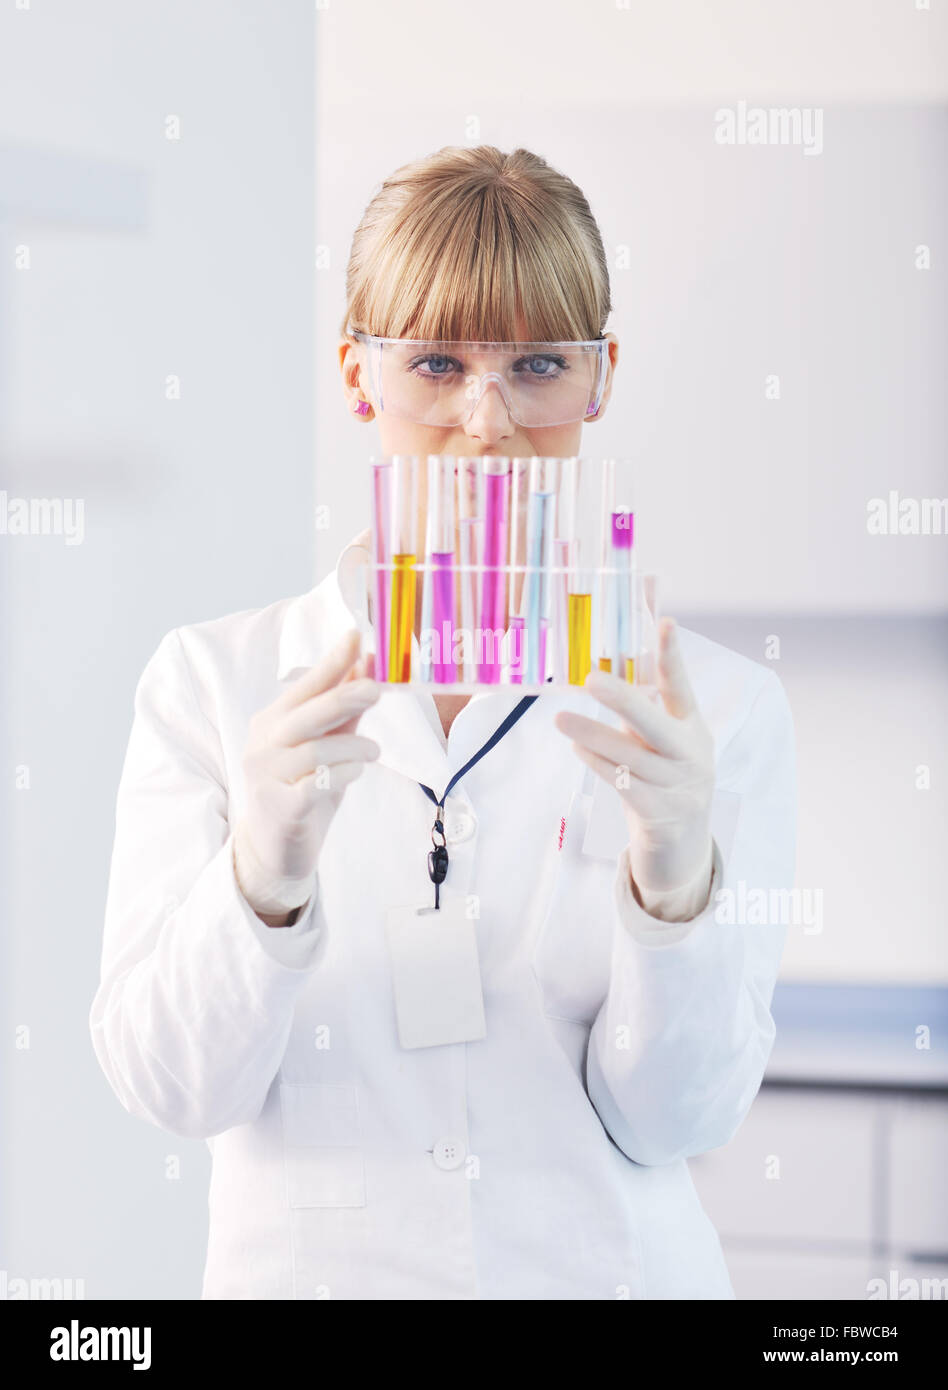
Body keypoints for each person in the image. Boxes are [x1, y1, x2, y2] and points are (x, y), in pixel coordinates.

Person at [90, 145, 795, 1300]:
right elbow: (177, 1089)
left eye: (537, 364)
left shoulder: (714, 708)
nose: (487, 420)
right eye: (433, 362)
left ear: (601, 379)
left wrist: (675, 894)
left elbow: (677, 1119)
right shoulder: (212, 684)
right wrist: (259, 880)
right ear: (357, 377)